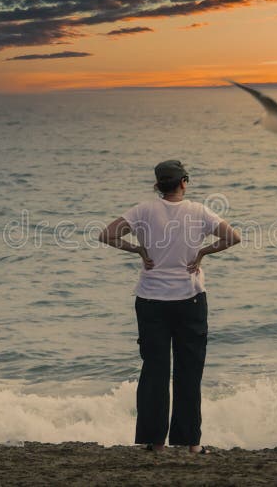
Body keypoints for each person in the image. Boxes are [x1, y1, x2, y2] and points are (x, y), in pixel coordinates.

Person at [99, 160, 241, 454]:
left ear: (157, 185)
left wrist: (137, 248)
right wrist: (202, 251)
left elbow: (107, 235)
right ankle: (190, 443)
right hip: (190, 300)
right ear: (184, 182)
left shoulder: (142, 211)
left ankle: (155, 443)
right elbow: (233, 237)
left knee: (155, 371)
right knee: (189, 372)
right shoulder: (199, 211)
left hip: (151, 301)